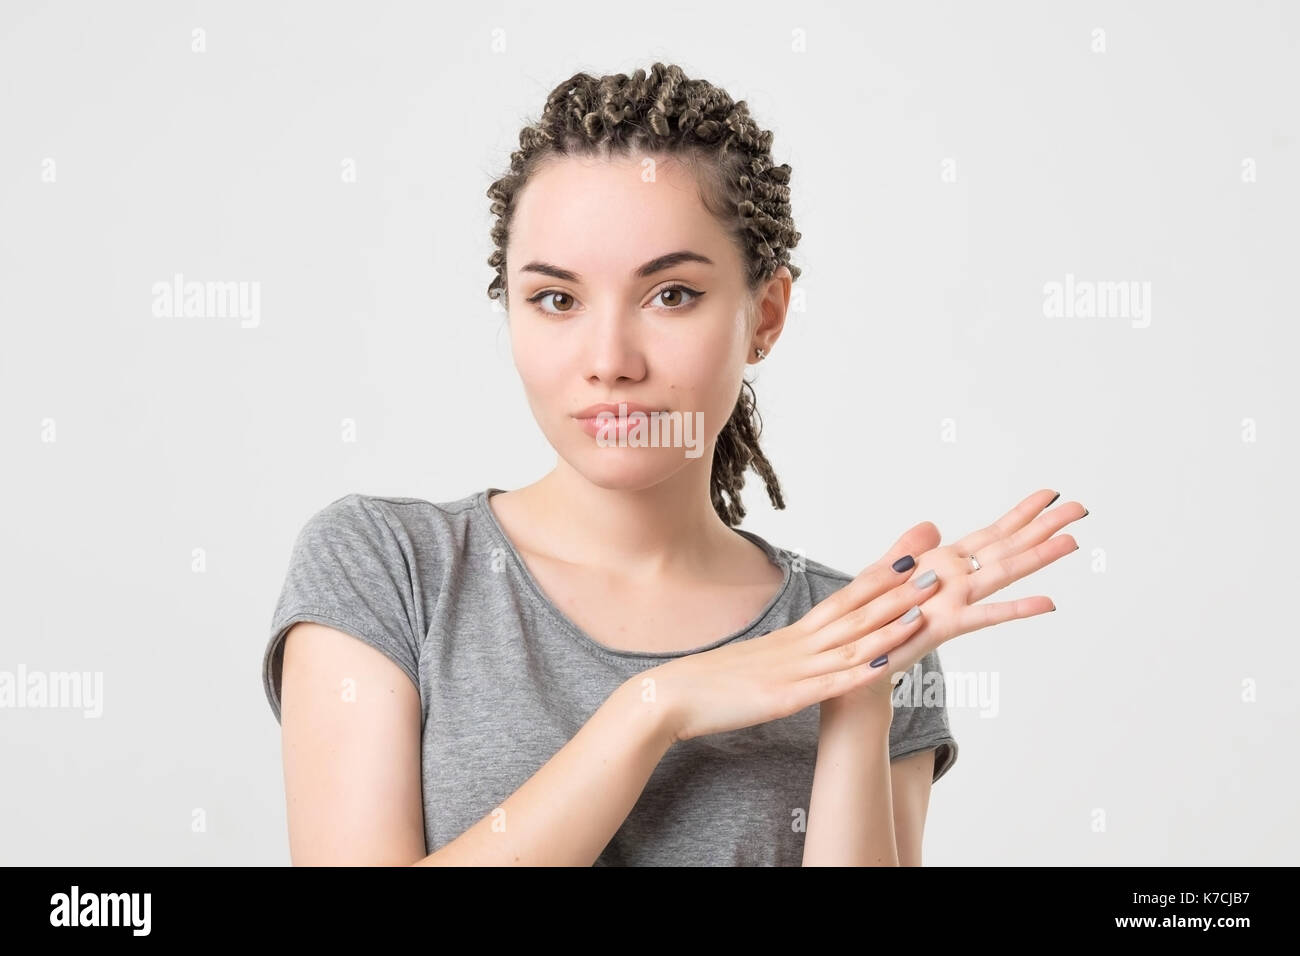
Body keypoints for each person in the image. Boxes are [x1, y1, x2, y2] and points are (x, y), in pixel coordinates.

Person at [260, 62, 1087, 866]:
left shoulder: (857, 624)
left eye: (672, 294)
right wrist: (653, 708)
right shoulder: (386, 568)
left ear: (766, 313)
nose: (610, 359)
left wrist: (860, 694)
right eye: (556, 299)